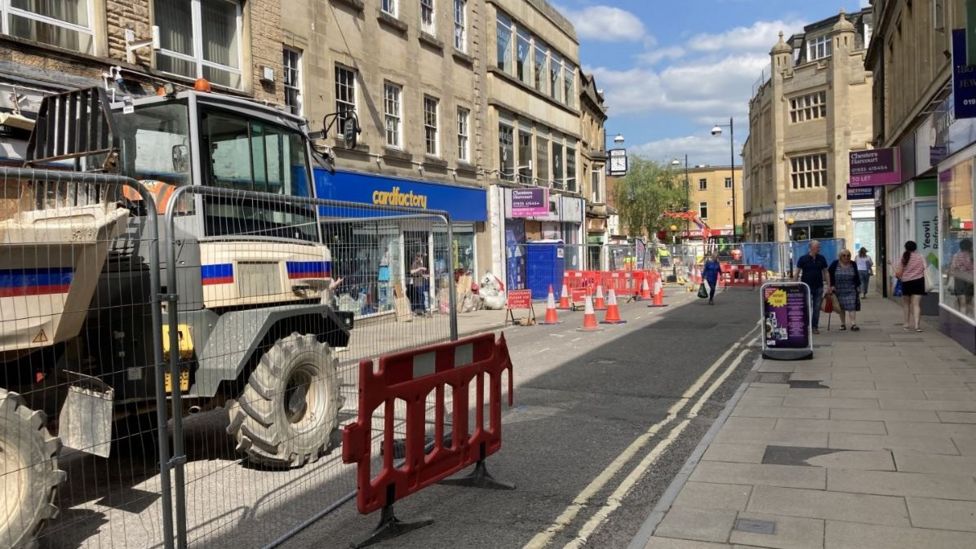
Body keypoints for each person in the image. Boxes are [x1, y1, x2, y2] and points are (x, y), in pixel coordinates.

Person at [794, 240, 829, 334]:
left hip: (818, 287)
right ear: (811, 247)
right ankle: (805, 326)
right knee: (806, 307)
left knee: (817, 308)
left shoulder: (821, 258)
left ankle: (814, 327)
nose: (819, 249)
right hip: (806, 287)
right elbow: (797, 272)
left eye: (819, 247)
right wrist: (794, 284)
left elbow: (826, 272)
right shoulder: (803, 259)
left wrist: (828, 285)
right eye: (818, 247)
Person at [895, 240, 926, 332]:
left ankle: (906, 324)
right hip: (918, 282)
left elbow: (899, 272)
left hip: (906, 282)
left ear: (906, 248)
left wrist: (899, 275)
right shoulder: (920, 256)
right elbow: (925, 267)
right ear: (915, 248)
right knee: (916, 304)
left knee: (906, 304)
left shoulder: (904, 257)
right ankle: (917, 325)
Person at [828, 249, 862, 331]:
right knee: (841, 307)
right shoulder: (835, 264)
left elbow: (856, 275)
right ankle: (843, 324)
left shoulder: (853, 264)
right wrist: (831, 285)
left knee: (852, 306)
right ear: (840, 256)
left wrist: (858, 286)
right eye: (844, 255)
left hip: (851, 288)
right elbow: (829, 274)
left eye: (848, 255)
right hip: (838, 288)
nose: (846, 257)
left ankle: (853, 324)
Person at [949, 238, 974, 316]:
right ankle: (969, 319)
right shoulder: (972, 255)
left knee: (962, 303)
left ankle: (963, 320)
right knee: (969, 302)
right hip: (970, 280)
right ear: (970, 246)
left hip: (959, 280)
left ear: (960, 246)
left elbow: (952, 268)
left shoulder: (956, 256)